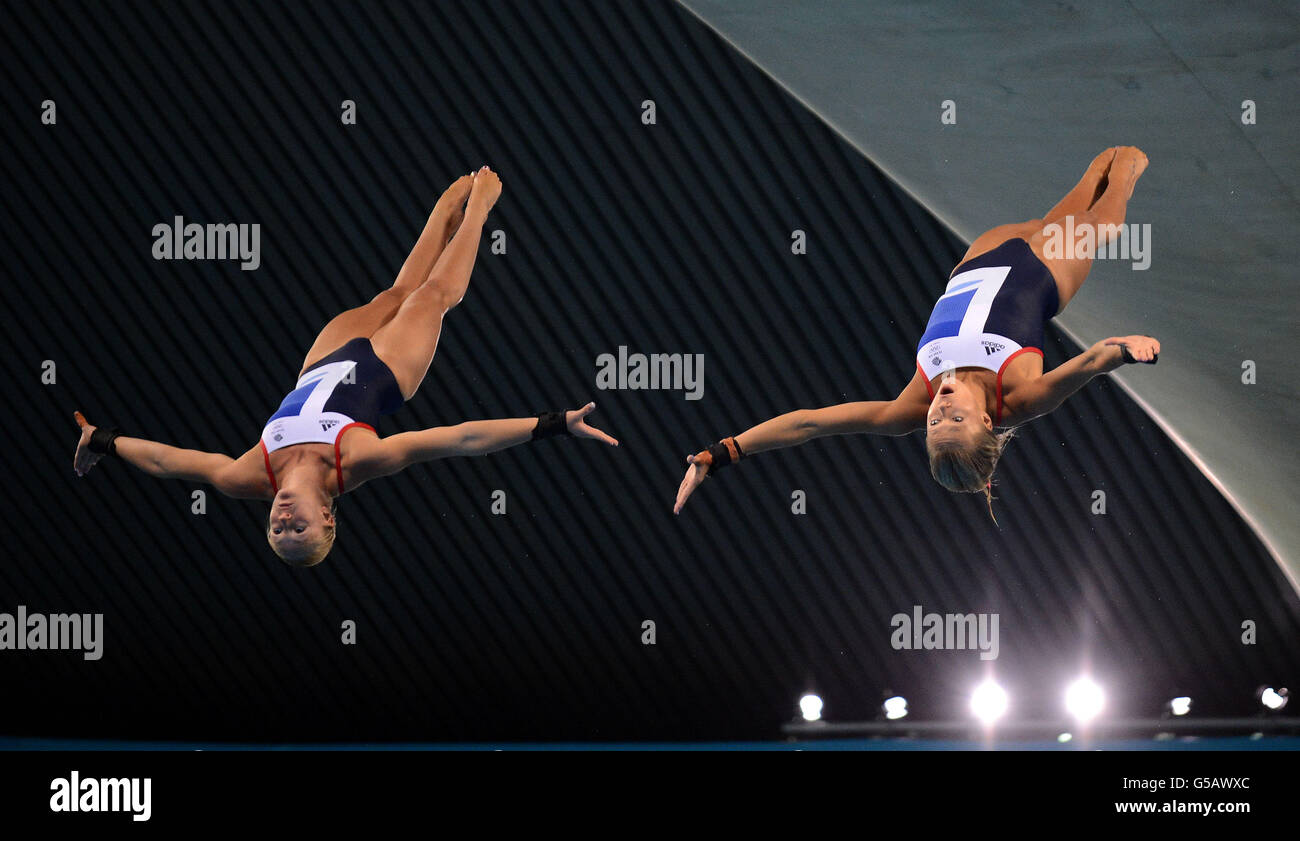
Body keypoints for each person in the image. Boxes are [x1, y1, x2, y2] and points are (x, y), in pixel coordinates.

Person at [74, 167, 618, 566]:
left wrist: (103, 440)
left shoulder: (248, 475)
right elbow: (461, 439)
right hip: (385, 372)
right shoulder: (357, 462)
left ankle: (447, 203)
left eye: (277, 528)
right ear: (328, 518)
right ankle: (478, 210)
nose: (285, 518)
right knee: (429, 298)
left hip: (321, 363)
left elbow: (171, 463)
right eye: (299, 528)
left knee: (398, 290)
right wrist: (554, 424)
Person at [674, 147, 1158, 521]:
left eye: (933, 425)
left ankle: (1103, 162)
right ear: (987, 424)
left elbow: (811, 424)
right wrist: (1126, 350)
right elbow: (1093, 361)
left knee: (1076, 192)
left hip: (979, 260)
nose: (940, 411)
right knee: (1106, 219)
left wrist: (724, 452)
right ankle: (1131, 161)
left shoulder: (908, 404)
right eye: (955, 421)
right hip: (1046, 271)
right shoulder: (1019, 399)